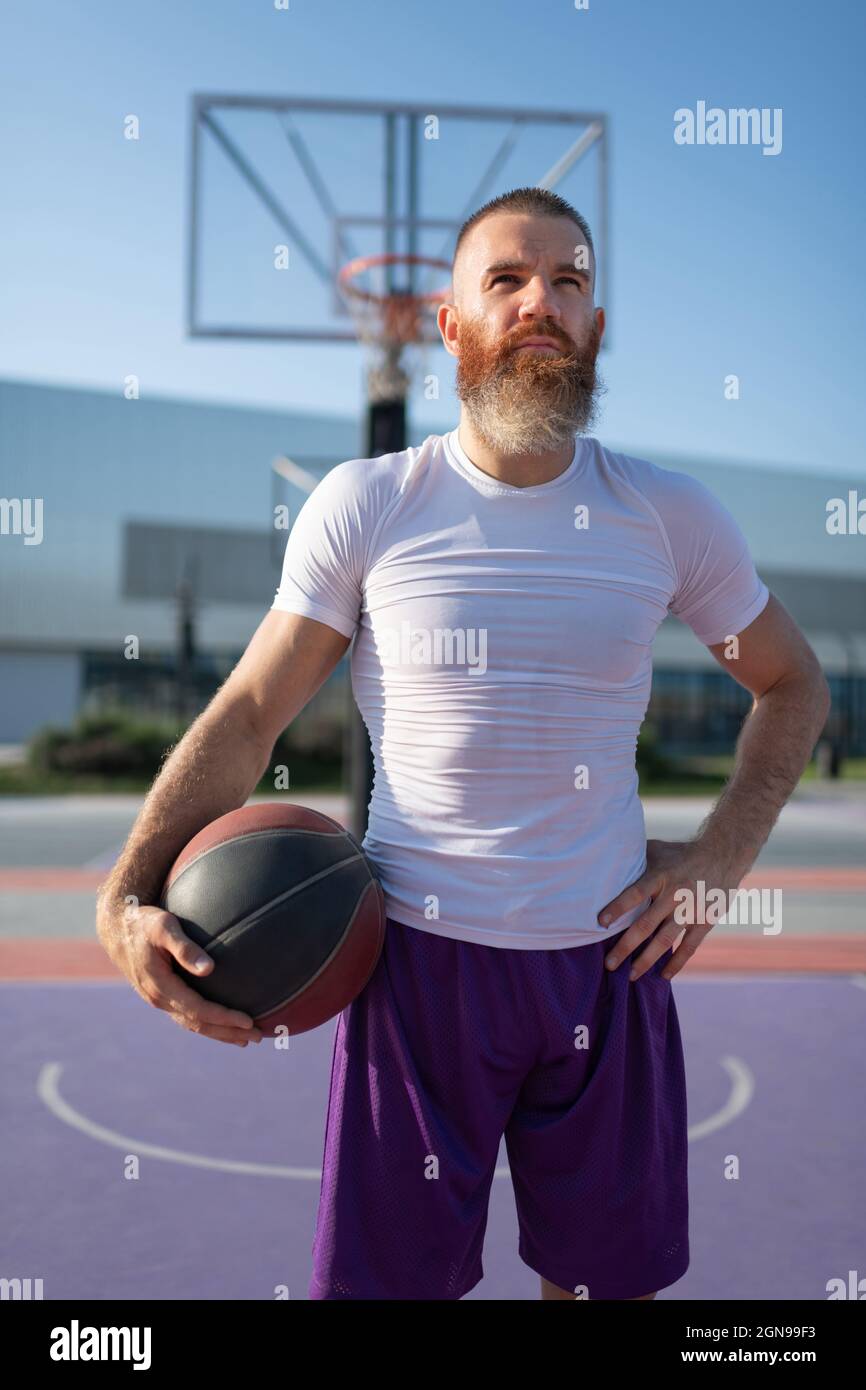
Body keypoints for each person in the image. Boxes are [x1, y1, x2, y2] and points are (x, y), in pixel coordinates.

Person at [97, 186, 830, 1301]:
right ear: (447, 323)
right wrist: (126, 892)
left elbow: (791, 684)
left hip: (603, 969)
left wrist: (716, 856)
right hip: (413, 971)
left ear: (595, 325)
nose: (542, 301)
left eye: (569, 282)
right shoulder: (369, 503)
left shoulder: (667, 516)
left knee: (598, 1291)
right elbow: (250, 712)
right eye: (507, 279)